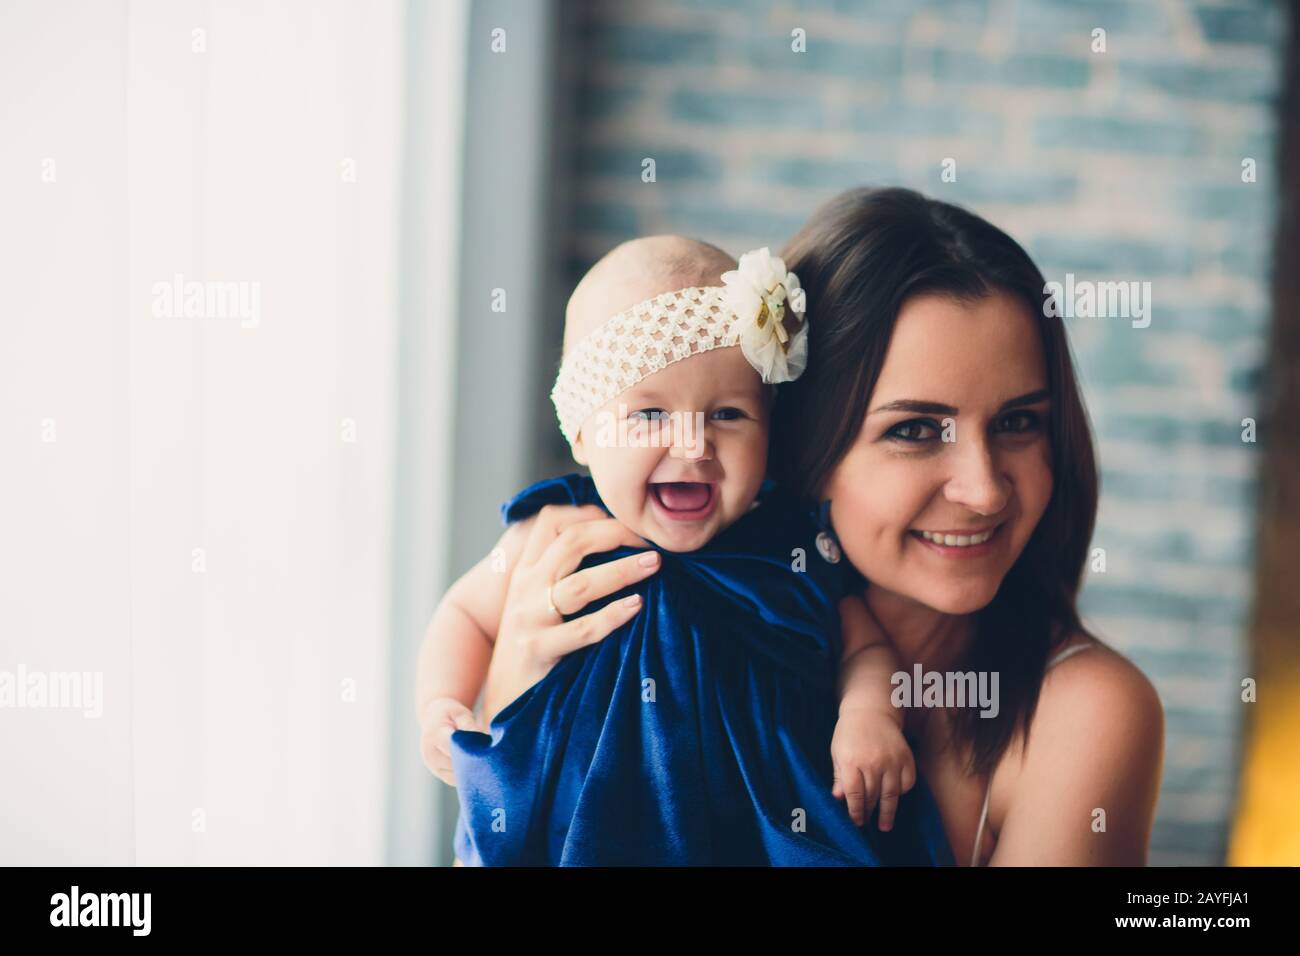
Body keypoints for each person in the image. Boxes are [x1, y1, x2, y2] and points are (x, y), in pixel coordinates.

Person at [471, 189, 1165, 865]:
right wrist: (505, 698)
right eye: (916, 430)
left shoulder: (1085, 714)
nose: (984, 491)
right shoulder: (611, 605)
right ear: (799, 440)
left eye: (1018, 422)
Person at [414, 234, 953, 865]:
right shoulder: (553, 533)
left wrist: (869, 716)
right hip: (580, 828)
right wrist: (440, 704)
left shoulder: (790, 544)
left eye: (728, 414)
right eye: (648, 415)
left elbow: (864, 647)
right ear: (584, 432)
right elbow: (465, 613)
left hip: (756, 834)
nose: (694, 445)